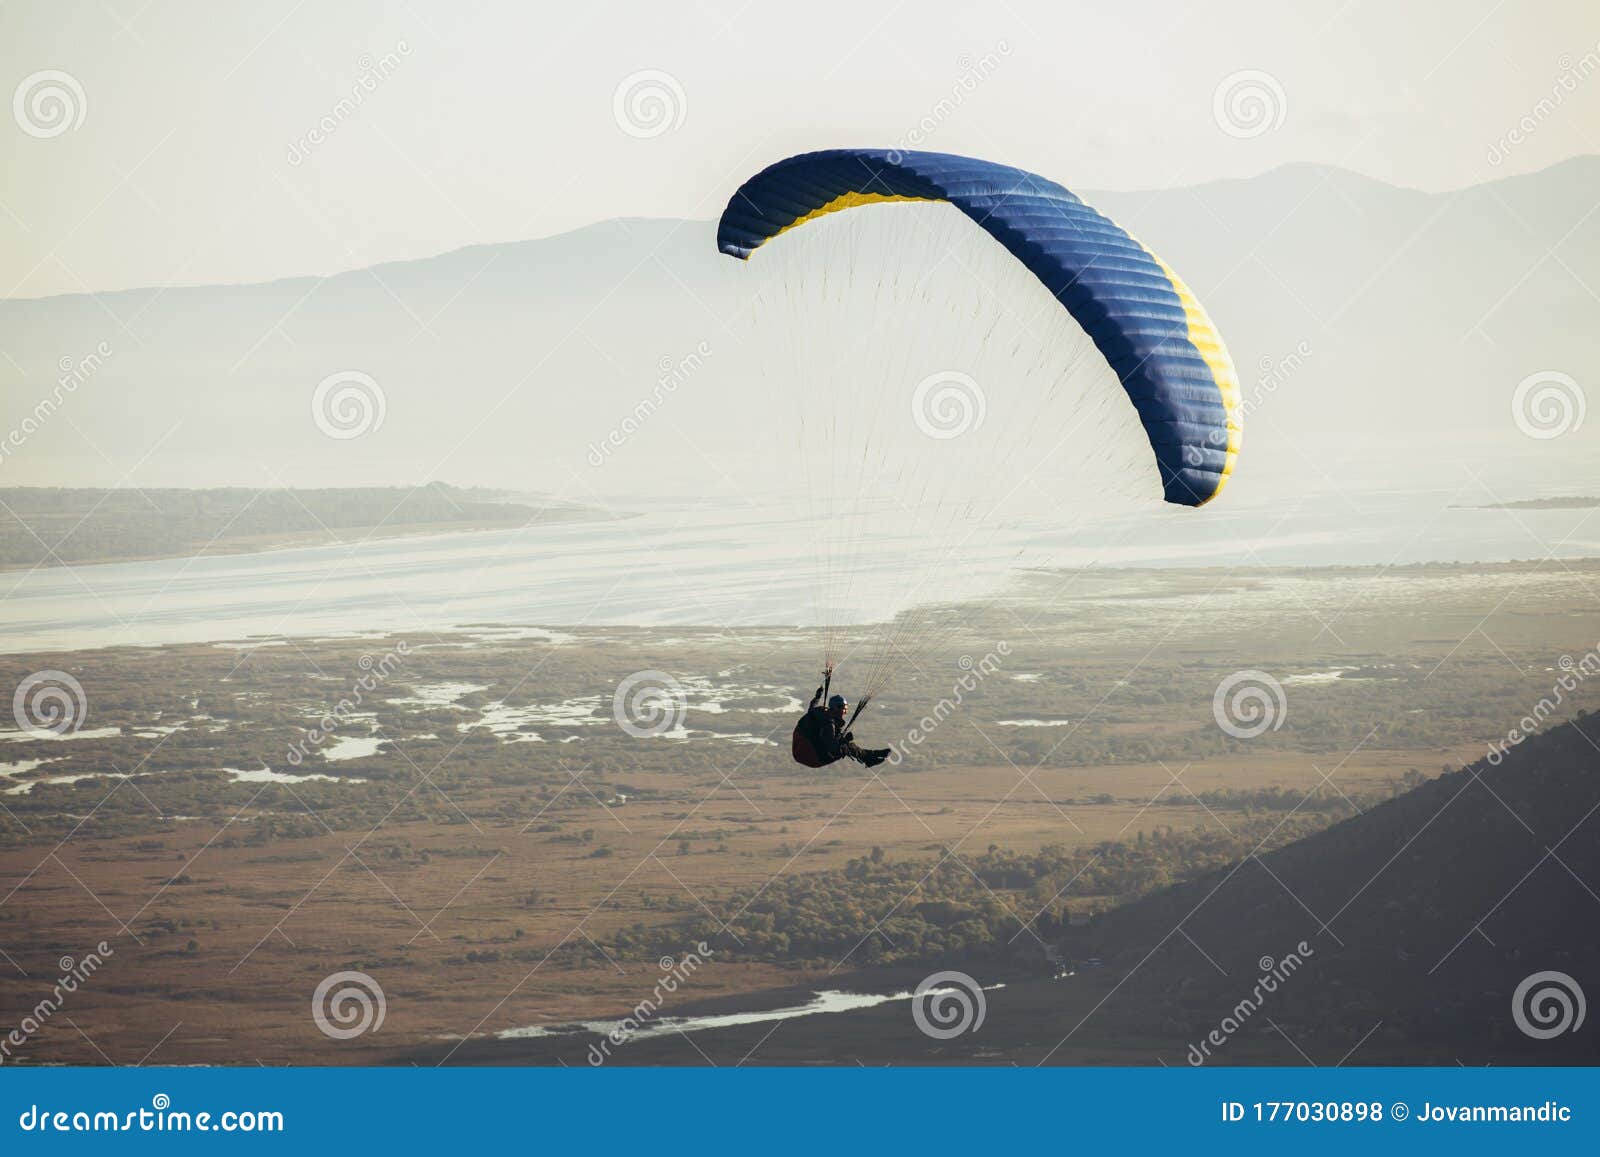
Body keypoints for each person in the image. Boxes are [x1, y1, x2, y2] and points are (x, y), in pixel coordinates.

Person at [792, 666, 890, 768]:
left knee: (844, 742)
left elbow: (812, 708)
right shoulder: (829, 724)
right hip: (811, 756)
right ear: (836, 709)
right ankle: (869, 758)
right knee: (845, 746)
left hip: (801, 748)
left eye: (846, 709)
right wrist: (845, 741)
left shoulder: (821, 713)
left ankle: (870, 755)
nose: (845, 712)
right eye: (844, 709)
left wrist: (817, 697)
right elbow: (833, 748)